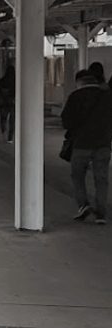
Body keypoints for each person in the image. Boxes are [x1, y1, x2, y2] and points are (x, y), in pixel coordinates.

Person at [61, 68, 112, 223]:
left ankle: (83, 205)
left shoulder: (75, 96)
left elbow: (66, 122)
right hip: (103, 144)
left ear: (79, 82)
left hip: (81, 144)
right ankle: (101, 213)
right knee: (101, 178)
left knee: (78, 176)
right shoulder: (108, 97)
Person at [0, 65, 15, 143]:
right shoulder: (15, 81)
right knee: (12, 120)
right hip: (12, 102)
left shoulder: (2, 80)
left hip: (3, 102)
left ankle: (3, 131)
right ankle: (10, 138)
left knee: (3, 118)